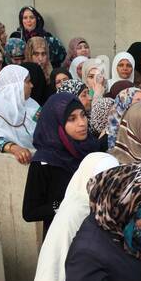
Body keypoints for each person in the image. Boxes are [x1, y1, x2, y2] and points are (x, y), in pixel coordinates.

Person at [28, 152, 120, 281]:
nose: (109, 184)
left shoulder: (111, 209)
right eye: (103, 177)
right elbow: (52, 262)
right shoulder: (72, 213)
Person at [22, 92, 101, 225]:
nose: (82, 123)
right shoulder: (44, 162)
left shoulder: (92, 148)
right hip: (62, 235)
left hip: (92, 231)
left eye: (83, 115)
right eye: (72, 118)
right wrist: (66, 205)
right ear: (57, 122)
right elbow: (30, 212)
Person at [0, 65, 38, 162]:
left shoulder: (32, 104)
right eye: (28, 81)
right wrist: (13, 148)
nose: (32, 85)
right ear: (16, 86)